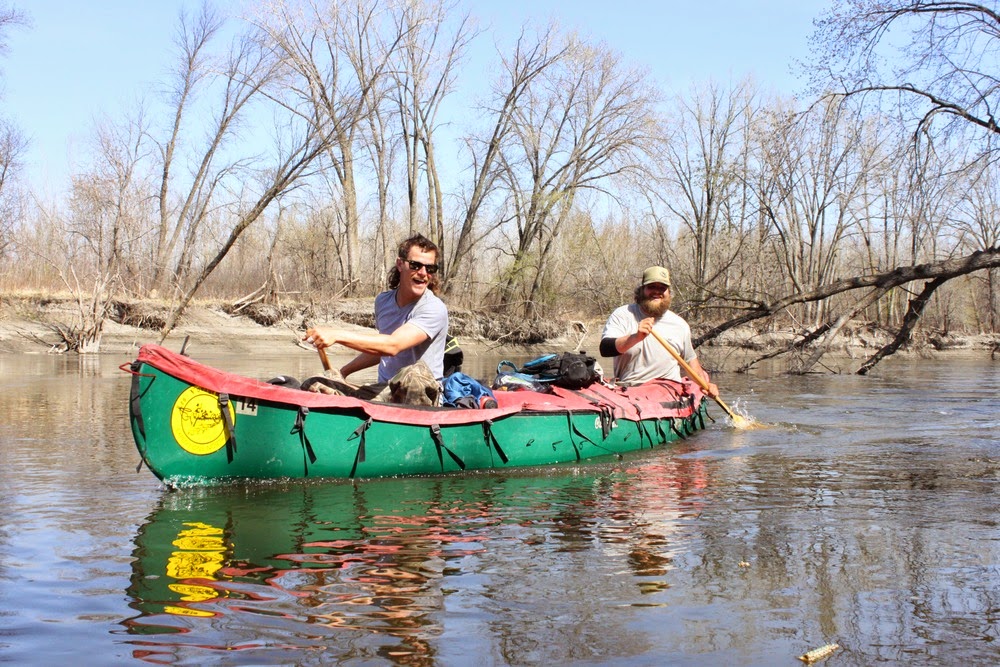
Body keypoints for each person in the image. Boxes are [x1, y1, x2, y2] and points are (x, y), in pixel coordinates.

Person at [303, 234, 449, 403]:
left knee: (412, 375)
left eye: (430, 268)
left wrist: (337, 335)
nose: (423, 273)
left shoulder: (434, 308)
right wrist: (343, 372)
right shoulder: (383, 301)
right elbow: (380, 350)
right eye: (416, 265)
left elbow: (392, 346)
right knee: (315, 383)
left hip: (423, 394)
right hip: (385, 390)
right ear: (400, 264)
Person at [600, 266, 718, 396]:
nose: (657, 292)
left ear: (668, 292)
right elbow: (605, 349)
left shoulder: (679, 324)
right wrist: (635, 337)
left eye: (662, 288)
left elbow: (691, 363)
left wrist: (706, 385)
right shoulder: (623, 314)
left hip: (669, 393)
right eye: (651, 287)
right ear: (642, 290)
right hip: (631, 391)